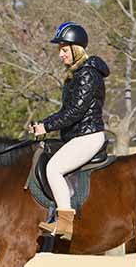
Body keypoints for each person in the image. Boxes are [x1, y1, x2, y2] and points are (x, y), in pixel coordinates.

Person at [28, 22, 110, 240]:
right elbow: (67, 111)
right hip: (79, 135)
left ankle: (65, 223)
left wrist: (46, 126)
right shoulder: (76, 75)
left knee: (54, 168)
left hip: (88, 136)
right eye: (60, 50)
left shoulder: (87, 75)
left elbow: (74, 112)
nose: (60, 55)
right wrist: (44, 123)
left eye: (64, 50)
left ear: (76, 50)